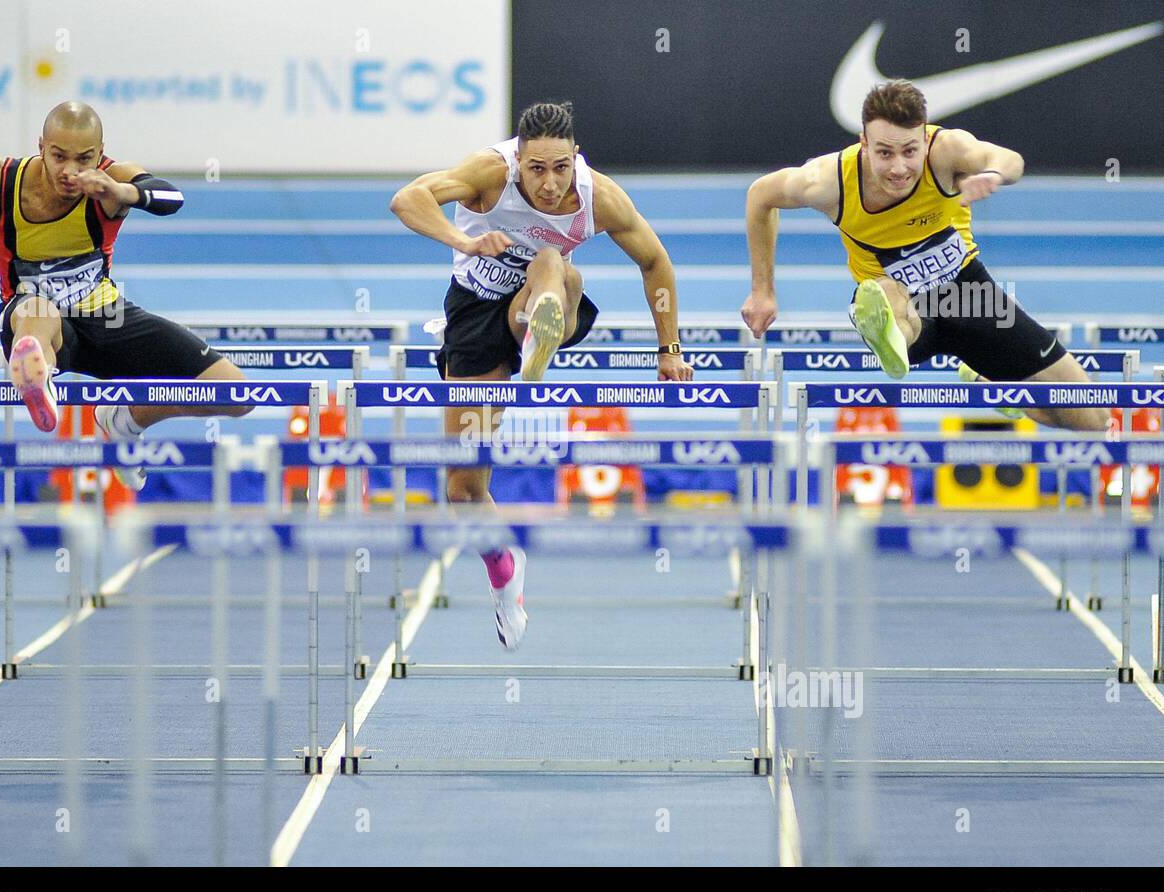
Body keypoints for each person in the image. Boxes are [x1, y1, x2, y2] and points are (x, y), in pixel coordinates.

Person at [390, 101, 694, 649]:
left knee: (554, 263)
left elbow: (655, 261)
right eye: (536, 169)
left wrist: (669, 347)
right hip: (477, 317)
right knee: (463, 490)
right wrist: (466, 240)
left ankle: (538, 335)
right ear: (518, 162)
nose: (550, 183)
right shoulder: (489, 172)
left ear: (575, 157)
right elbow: (406, 199)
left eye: (560, 167)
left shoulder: (598, 195)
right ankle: (505, 568)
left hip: (551, 296)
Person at [0, 101, 252, 489]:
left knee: (236, 393)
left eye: (84, 159)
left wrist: (119, 191)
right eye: (59, 156)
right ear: (41, 147)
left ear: (100, 153)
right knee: (40, 311)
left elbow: (171, 199)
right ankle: (38, 372)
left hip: (106, 315)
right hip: (29, 316)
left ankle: (125, 420)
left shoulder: (112, 181)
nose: (70, 170)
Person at [740, 79, 1108, 431]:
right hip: (906, 307)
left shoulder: (946, 151)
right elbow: (761, 196)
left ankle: (985, 378)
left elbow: (1008, 159)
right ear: (863, 143)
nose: (898, 168)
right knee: (884, 295)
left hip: (971, 298)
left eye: (909, 151)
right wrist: (762, 291)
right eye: (884, 152)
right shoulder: (828, 180)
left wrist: (993, 173)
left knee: (1093, 420)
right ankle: (886, 333)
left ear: (924, 140)